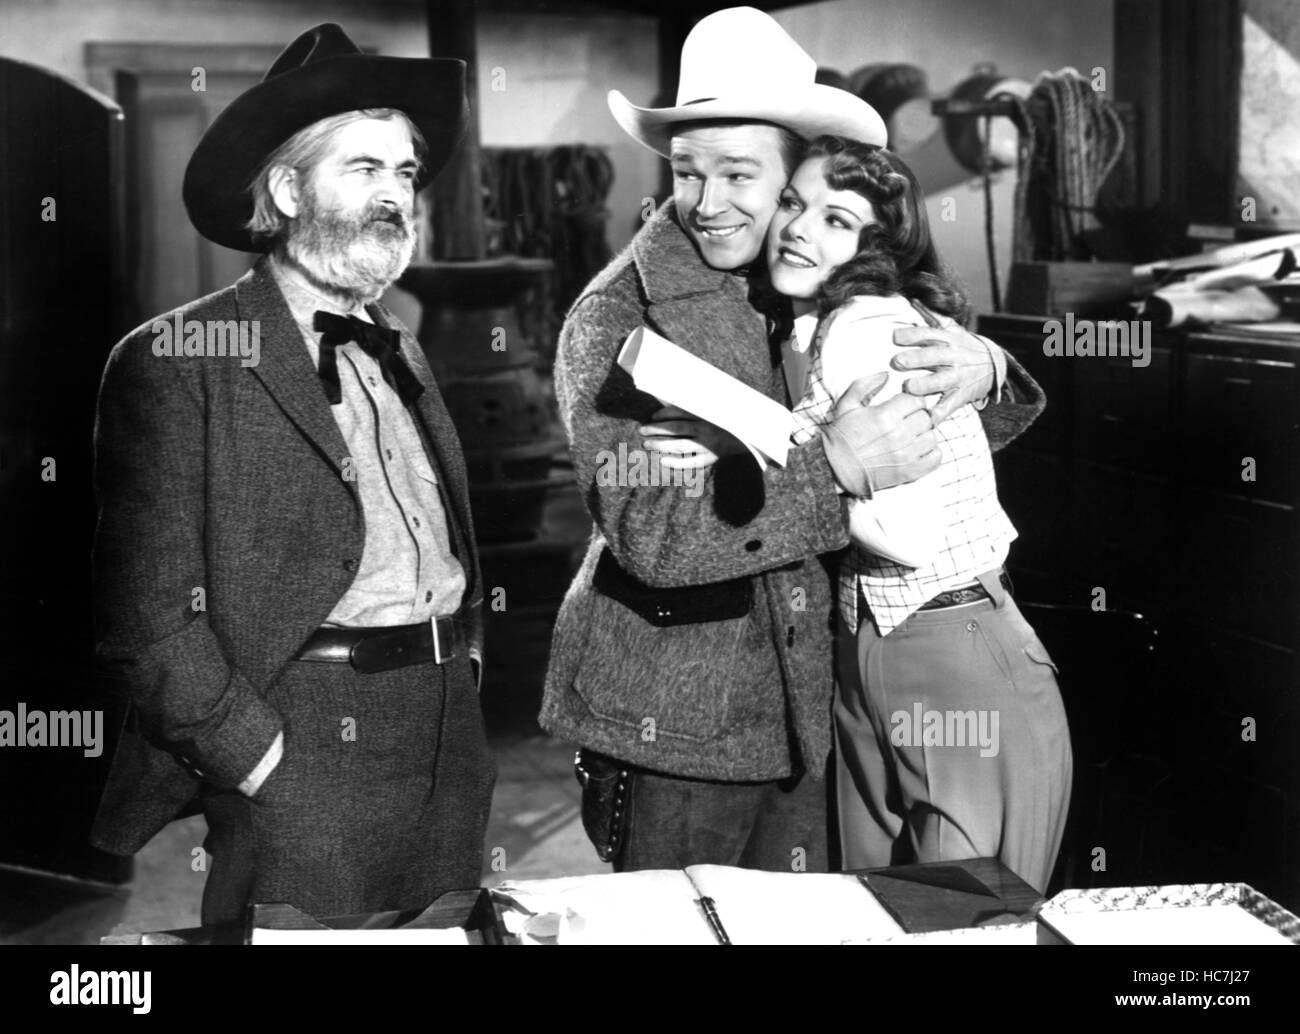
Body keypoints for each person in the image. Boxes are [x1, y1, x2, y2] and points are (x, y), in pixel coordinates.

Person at [540, 6, 1047, 874]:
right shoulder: (617, 318)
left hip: (816, 709)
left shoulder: (811, 271)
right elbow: (657, 537)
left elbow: (951, 442)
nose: (706, 204)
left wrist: (986, 364)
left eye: (739, 174)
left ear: (792, 180)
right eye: (688, 173)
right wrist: (837, 465)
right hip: (678, 731)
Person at [89, 23, 496, 925]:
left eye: (404, 172)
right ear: (285, 187)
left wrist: (462, 680)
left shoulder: (402, 347)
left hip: (447, 742)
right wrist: (258, 757)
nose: (395, 196)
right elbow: (144, 622)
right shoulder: (176, 356)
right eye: (363, 169)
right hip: (300, 743)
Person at [775, 136, 1072, 892]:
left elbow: (902, 535)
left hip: (955, 654)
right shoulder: (825, 323)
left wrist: (780, 464)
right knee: (883, 916)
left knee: (964, 925)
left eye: (836, 219)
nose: (799, 227)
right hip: (872, 645)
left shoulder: (863, 328)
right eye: (792, 202)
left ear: (877, 246)